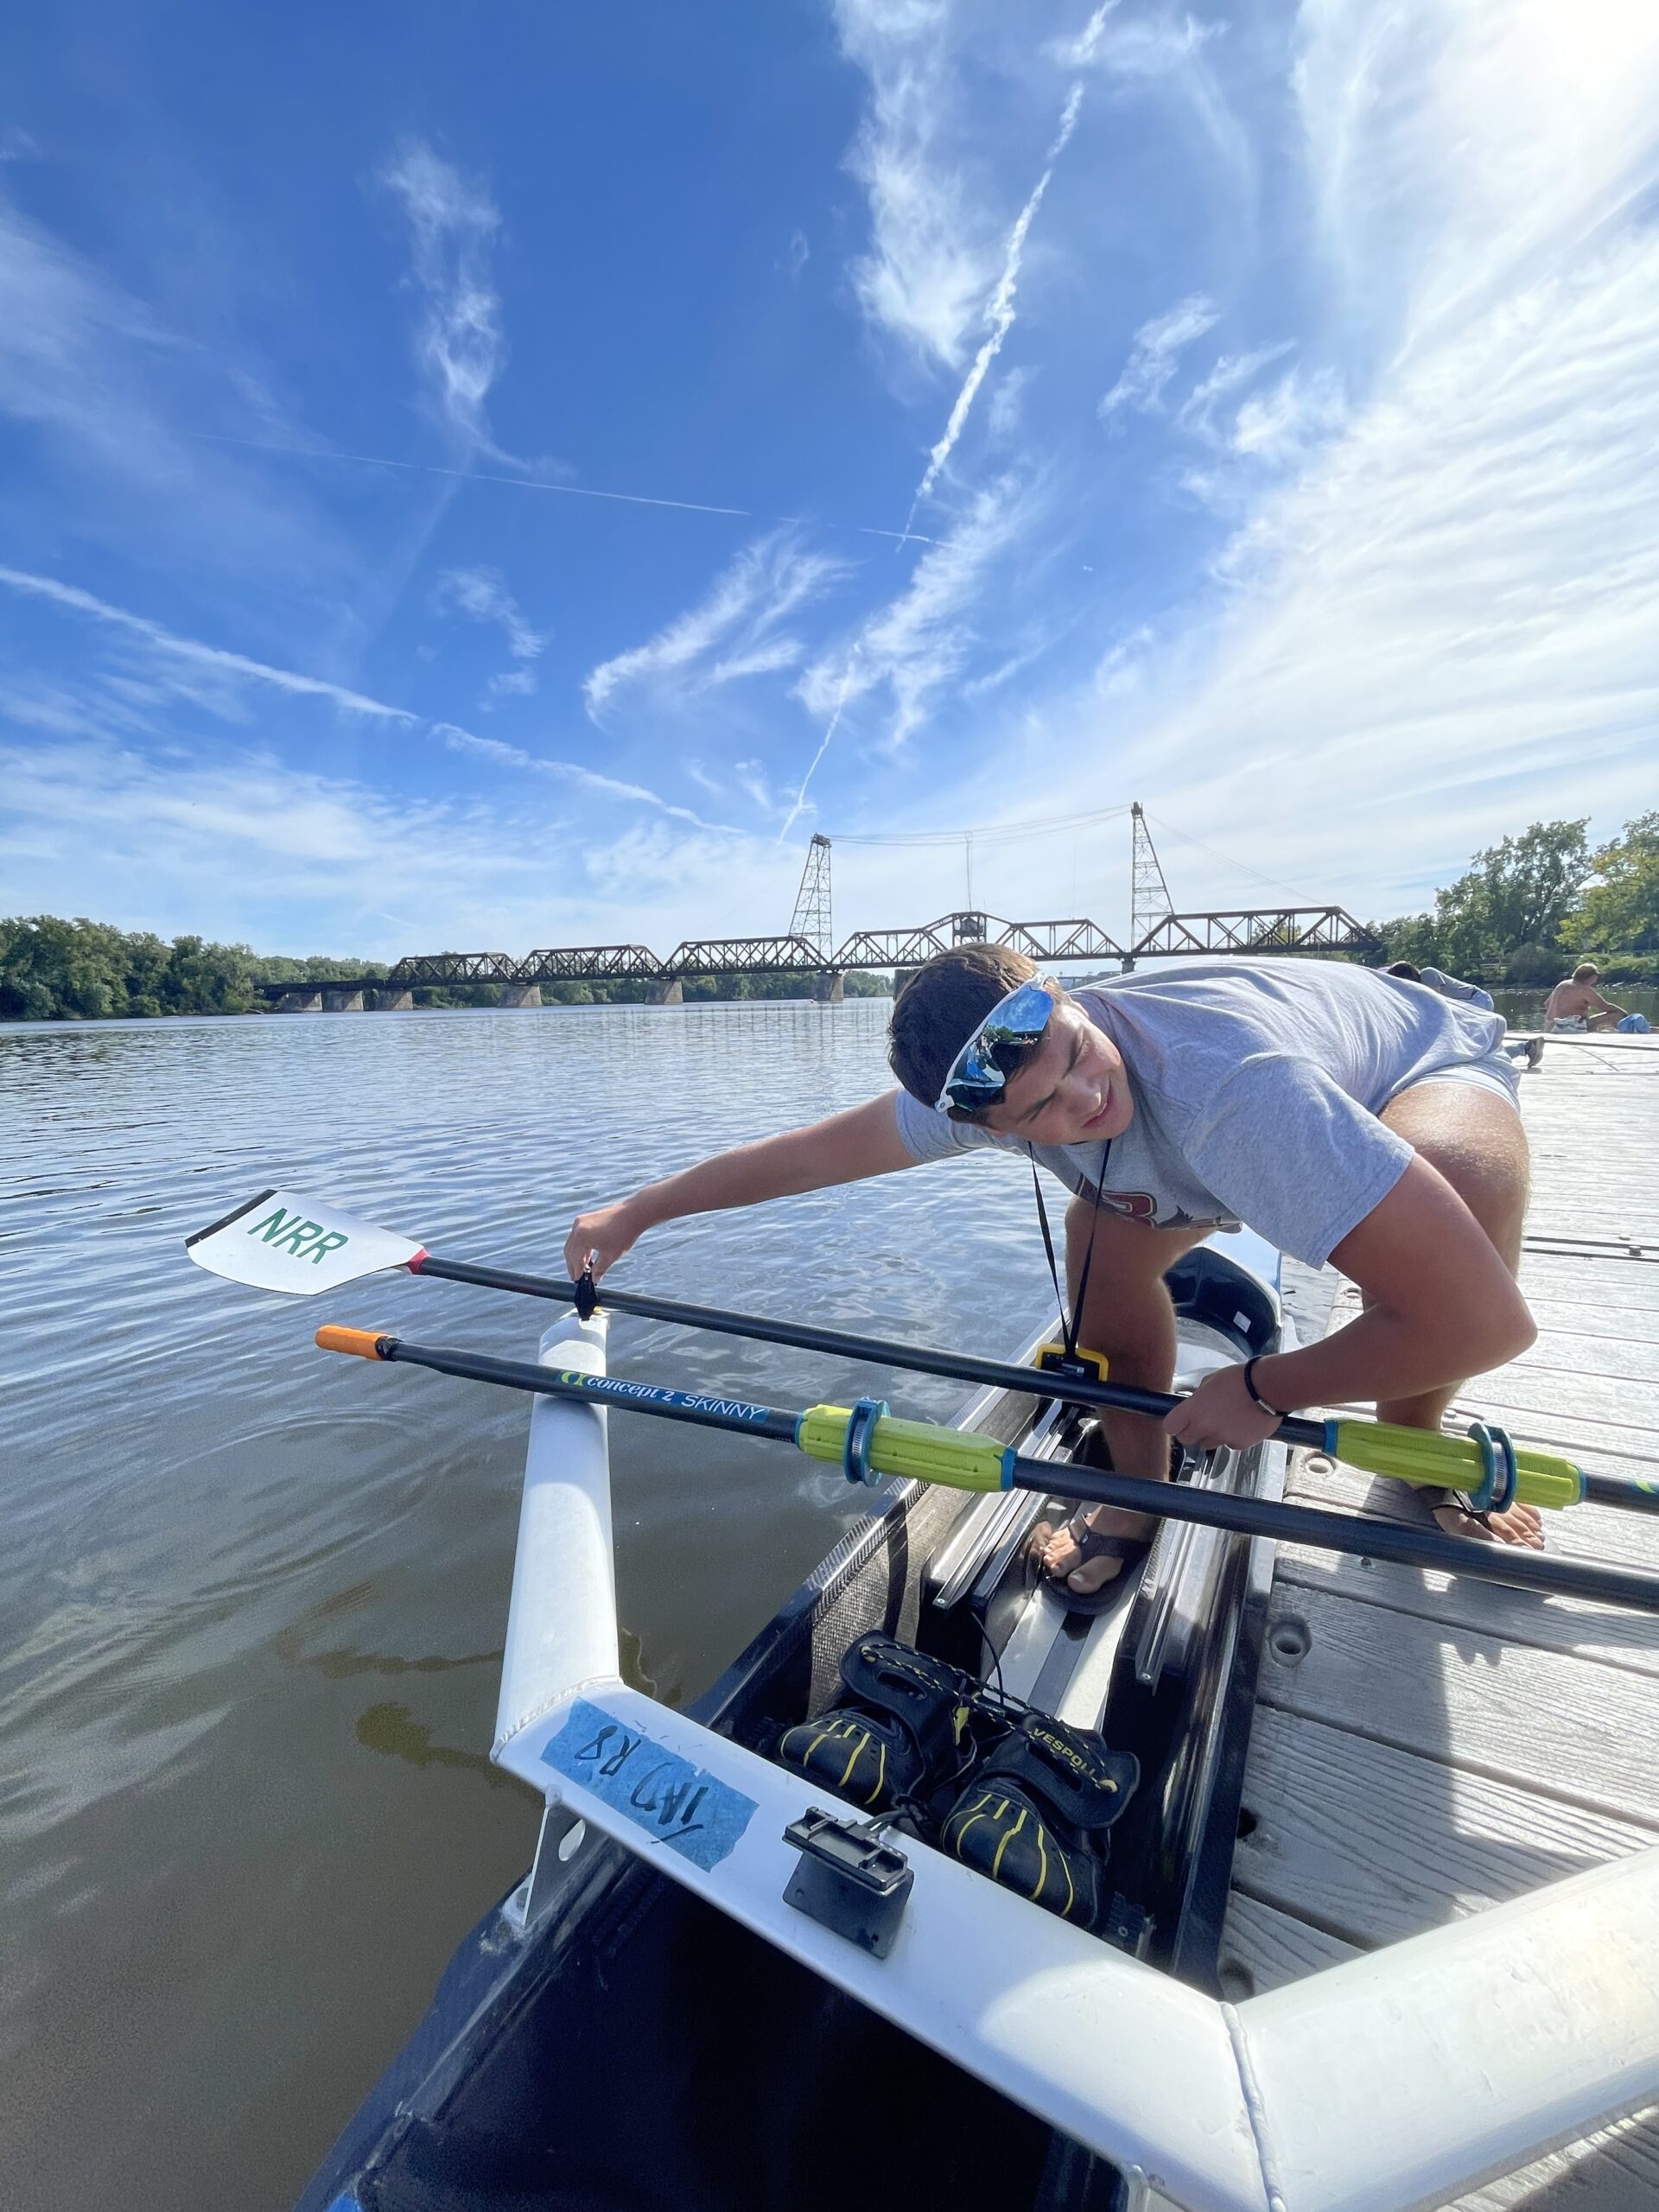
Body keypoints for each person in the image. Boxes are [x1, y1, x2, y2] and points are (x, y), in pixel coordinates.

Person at [566, 950, 1542, 1602]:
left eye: (1076, 1051)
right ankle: (1139, 1495)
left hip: (1412, 1056)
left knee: (1460, 1189)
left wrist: (1259, 1388)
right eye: (1039, 1111)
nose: (1087, 1096)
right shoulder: (974, 1089)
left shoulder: (1236, 1093)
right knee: (1095, 1256)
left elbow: (1490, 1325)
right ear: (980, 1124)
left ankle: (1413, 1442)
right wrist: (638, 1211)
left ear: (1068, 998)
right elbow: (806, 1159)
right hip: (1216, 1141)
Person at [1544, 963, 1627, 1032]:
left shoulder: (1562, 984)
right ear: (1591, 977)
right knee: (1614, 1015)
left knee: (1589, 1021)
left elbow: (1547, 1004)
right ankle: (1631, 1034)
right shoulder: (1583, 989)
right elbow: (1605, 1007)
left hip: (1550, 1026)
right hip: (1567, 1027)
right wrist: (1625, 1015)